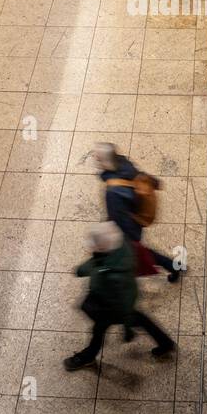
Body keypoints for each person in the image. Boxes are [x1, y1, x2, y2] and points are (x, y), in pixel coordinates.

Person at [64, 222, 175, 371]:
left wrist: (127, 327)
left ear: (102, 248)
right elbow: (95, 263)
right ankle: (166, 343)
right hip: (116, 302)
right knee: (141, 320)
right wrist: (82, 270)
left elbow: (124, 300)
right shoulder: (119, 247)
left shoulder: (111, 274)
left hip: (111, 307)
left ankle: (88, 357)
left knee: (99, 329)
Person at [93, 142, 181, 281]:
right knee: (141, 252)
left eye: (97, 157)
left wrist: (129, 239)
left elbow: (119, 218)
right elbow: (139, 175)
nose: (94, 158)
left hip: (128, 227)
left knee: (140, 253)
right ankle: (174, 266)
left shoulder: (112, 192)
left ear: (105, 162)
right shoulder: (123, 163)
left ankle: (174, 266)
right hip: (136, 212)